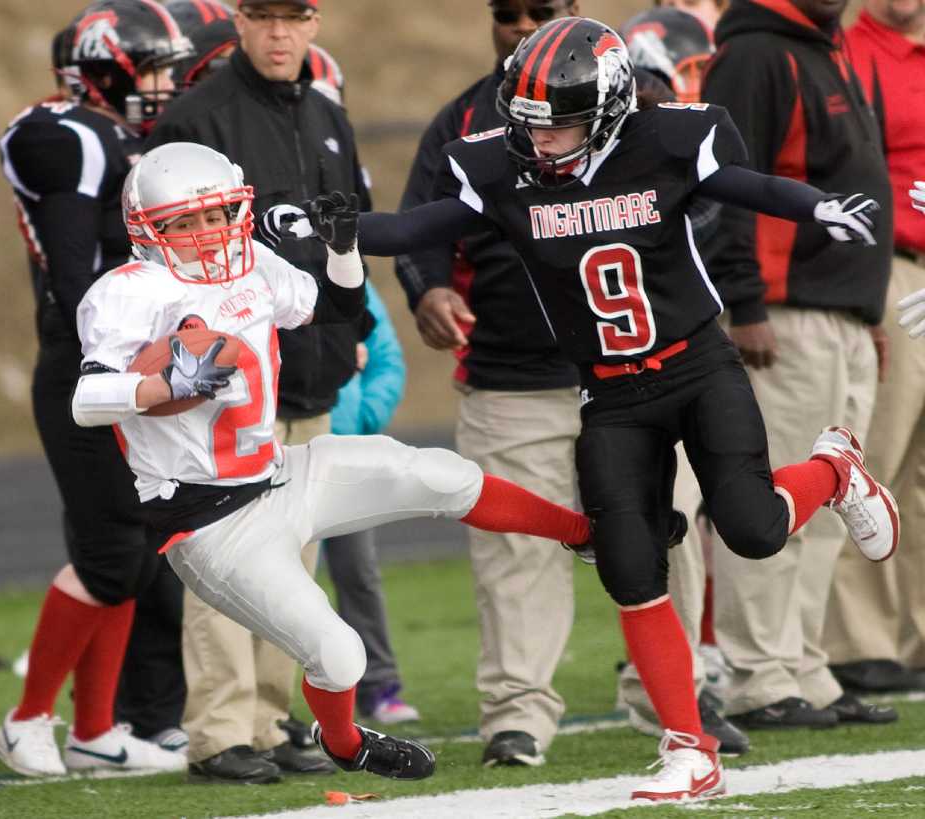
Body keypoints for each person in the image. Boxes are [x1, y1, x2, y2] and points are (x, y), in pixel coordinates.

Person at [296, 17, 899, 801]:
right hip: (611, 391)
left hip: (697, 367)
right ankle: (692, 748)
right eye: (530, 125)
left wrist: (814, 207)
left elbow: (746, 187)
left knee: (752, 528)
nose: (541, 143)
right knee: (628, 563)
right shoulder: (502, 165)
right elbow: (415, 227)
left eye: (563, 125)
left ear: (611, 107)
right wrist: (333, 228)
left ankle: (836, 470)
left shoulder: (671, 140)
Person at [70, 140, 594, 784]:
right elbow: (88, 399)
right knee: (338, 653)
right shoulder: (128, 292)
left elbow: (341, 310)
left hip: (282, 474)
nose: (205, 235)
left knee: (439, 474)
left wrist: (344, 251)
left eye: (214, 216)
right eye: (183, 222)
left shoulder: (254, 261)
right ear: (149, 231)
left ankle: (586, 534)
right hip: (209, 523)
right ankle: (345, 743)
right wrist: (170, 386)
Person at [145, 0, 370, 782]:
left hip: (309, 369)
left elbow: (348, 237)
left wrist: (354, 326)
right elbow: (159, 249)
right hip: (226, 387)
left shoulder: (328, 114)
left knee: (293, 557)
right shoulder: (195, 118)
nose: (279, 33)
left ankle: (273, 719)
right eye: (264, 16)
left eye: (294, 16)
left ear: (316, 22)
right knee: (228, 558)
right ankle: (217, 729)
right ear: (240, 20)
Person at [0, 0, 195, 778]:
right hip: (87, 366)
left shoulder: (113, 134)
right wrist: (112, 361)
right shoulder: (66, 132)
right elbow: (76, 272)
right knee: (113, 551)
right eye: (152, 68)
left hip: (121, 364)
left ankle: (96, 729)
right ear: (104, 69)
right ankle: (29, 717)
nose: (165, 83)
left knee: (137, 549)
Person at [392, 0, 581, 769]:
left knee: (665, 532)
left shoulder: (642, 110)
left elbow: (701, 219)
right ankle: (517, 712)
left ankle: (675, 693)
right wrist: (428, 288)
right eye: (510, 11)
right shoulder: (465, 119)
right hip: (511, 373)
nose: (524, 24)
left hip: (637, 370)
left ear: (575, 12)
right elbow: (415, 228)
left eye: (545, 9)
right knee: (515, 549)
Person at [701, 0, 898, 731]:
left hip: (840, 314)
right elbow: (723, 184)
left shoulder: (824, 46)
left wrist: (866, 310)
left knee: (831, 503)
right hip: (783, 316)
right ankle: (759, 674)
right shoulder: (757, 54)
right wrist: (745, 301)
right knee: (777, 493)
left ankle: (804, 666)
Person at [614, 3, 750, 757]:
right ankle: (666, 688)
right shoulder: (629, 147)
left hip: (683, 355)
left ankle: (684, 684)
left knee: (706, 517)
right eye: (686, 68)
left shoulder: (689, 137)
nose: (695, 83)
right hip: (611, 365)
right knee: (636, 529)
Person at [823, 0, 925, 697]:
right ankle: (861, 640)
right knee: (883, 452)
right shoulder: (849, 54)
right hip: (894, 264)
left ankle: (917, 634)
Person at [322, 280, 420, 724]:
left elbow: (387, 360)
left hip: (344, 455)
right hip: (277, 450)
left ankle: (378, 684)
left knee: (357, 573)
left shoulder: (353, 282)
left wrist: (363, 416)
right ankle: (267, 711)